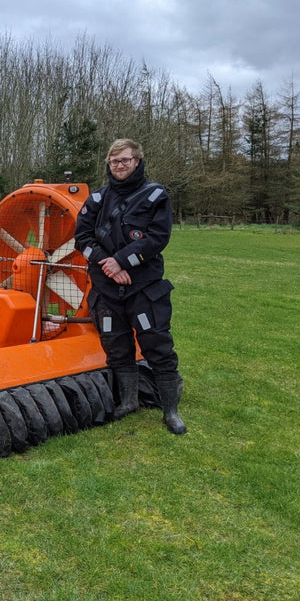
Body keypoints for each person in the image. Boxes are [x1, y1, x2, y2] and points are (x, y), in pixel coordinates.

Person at [74, 139, 186, 434]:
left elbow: (157, 238)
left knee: (157, 344)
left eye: (124, 160)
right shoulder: (97, 200)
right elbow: (82, 240)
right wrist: (107, 264)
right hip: (106, 288)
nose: (119, 166)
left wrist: (123, 261)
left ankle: (170, 411)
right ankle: (128, 402)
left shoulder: (155, 196)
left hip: (143, 287)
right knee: (116, 347)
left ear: (137, 161)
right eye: (114, 162)